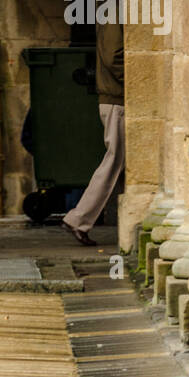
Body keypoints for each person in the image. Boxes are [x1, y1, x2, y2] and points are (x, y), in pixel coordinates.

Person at [62, 23, 124, 247]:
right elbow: (114, 58)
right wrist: (137, 83)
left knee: (116, 161)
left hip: (113, 99)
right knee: (114, 161)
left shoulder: (114, 14)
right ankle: (79, 219)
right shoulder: (116, 15)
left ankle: (80, 219)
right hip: (116, 100)